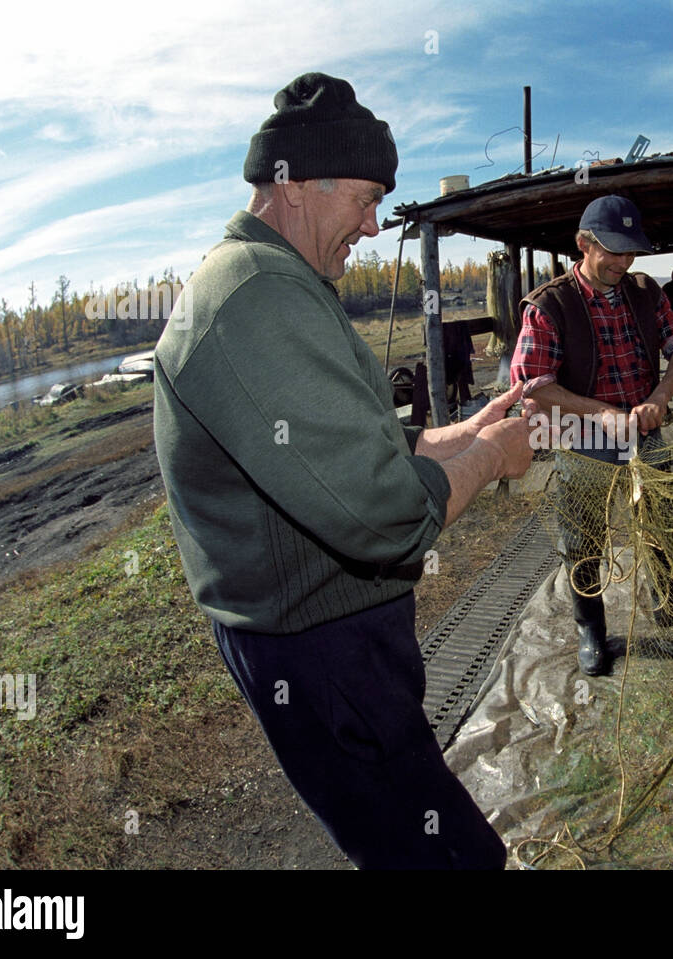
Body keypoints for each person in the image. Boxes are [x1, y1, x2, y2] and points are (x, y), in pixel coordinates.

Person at [153, 72, 535, 869]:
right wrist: (494, 458)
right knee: (448, 859)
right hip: (321, 656)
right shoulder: (254, 297)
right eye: (364, 198)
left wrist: (457, 434)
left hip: (327, 644)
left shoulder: (280, 282)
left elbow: (344, 448)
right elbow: (378, 511)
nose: (370, 223)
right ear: (295, 184)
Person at [510, 195, 673, 677]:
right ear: (584, 245)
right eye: (613, 252)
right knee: (583, 535)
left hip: (645, 432)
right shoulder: (550, 304)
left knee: (664, 521)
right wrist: (602, 414)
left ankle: (672, 606)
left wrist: (663, 395)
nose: (624, 263)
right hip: (582, 439)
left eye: (631, 252)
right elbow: (533, 383)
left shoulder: (646, 291)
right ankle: (591, 628)